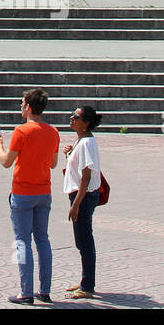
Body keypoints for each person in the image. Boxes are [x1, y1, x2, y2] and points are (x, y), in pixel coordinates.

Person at [0, 89, 60, 305]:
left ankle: (26, 291)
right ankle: (45, 290)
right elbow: (53, 164)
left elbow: (6, 161)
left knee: (22, 241)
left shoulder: (21, 131)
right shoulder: (53, 132)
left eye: (22, 103)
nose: (21, 106)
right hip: (44, 192)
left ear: (28, 107)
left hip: (22, 193)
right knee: (43, 240)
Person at [62, 105, 103, 299]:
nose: (71, 118)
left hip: (83, 196)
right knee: (83, 241)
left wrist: (76, 204)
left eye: (76, 117)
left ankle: (87, 286)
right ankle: (85, 280)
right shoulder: (82, 140)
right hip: (83, 195)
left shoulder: (86, 143)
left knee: (85, 242)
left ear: (85, 123)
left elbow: (86, 177)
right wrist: (70, 153)